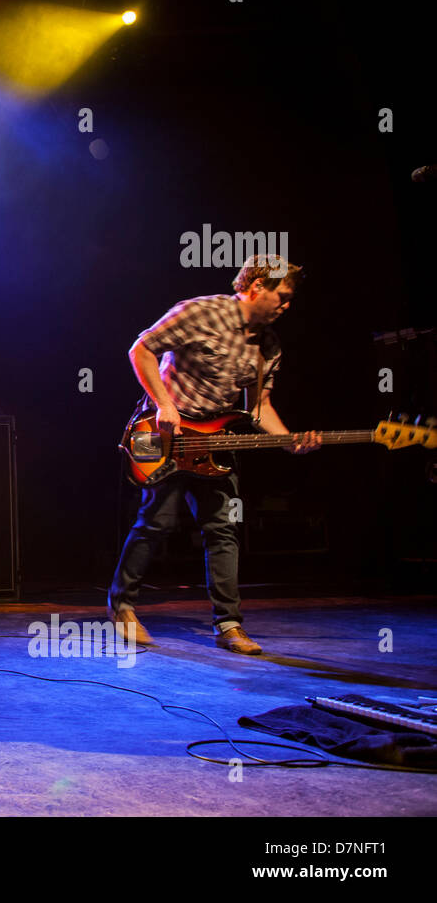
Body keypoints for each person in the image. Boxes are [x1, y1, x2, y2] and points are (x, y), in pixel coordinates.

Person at [108, 253, 321, 654]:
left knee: (222, 531)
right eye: (284, 295)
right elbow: (142, 349)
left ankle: (229, 624)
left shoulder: (269, 347)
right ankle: (122, 606)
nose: (288, 305)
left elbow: (259, 407)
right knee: (157, 521)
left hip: (215, 445)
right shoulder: (201, 312)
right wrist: (163, 404)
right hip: (164, 434)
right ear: (257, 286)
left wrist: (289, 440)